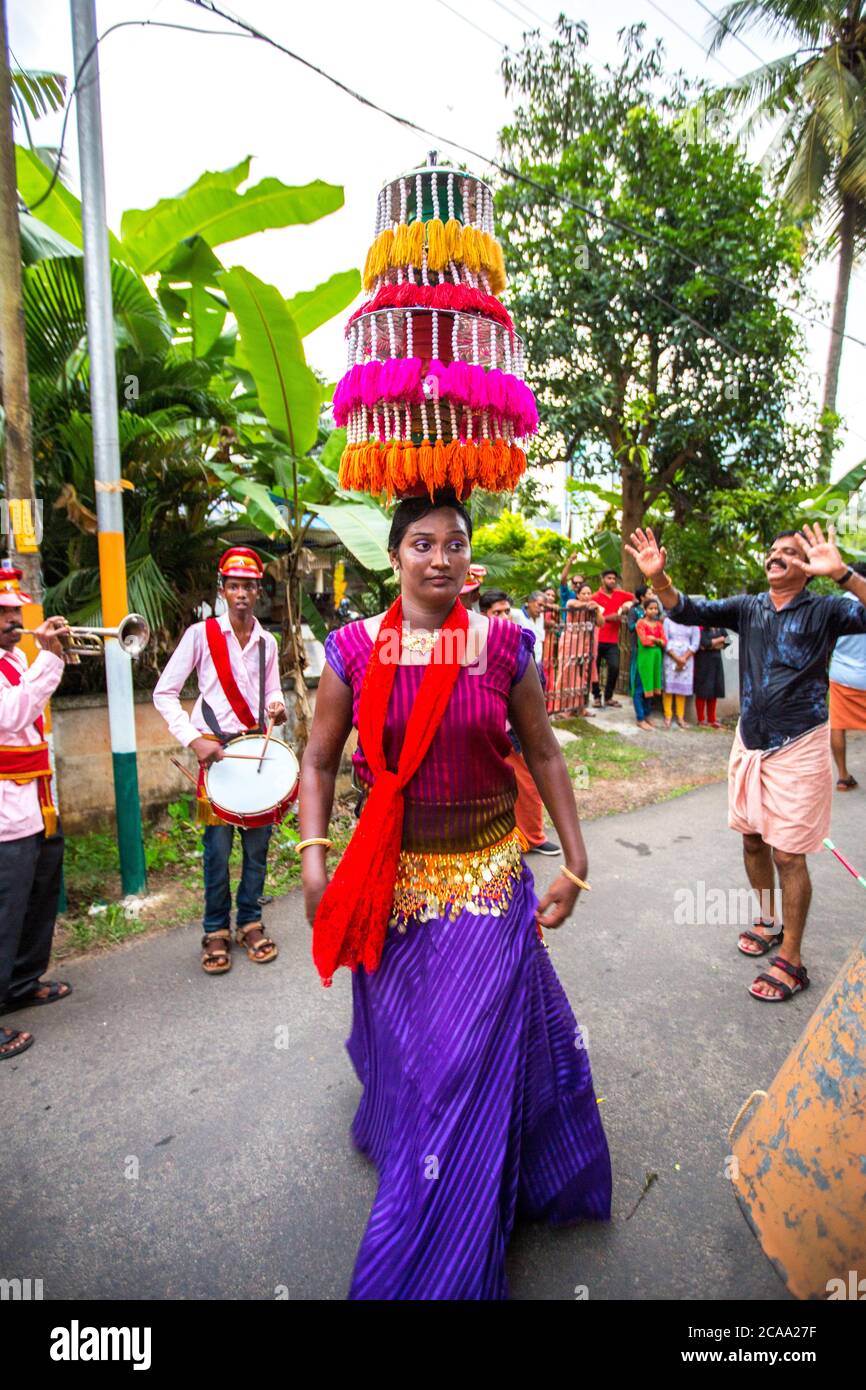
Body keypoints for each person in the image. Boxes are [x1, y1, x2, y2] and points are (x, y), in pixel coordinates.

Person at [300, 489, 611, 1300]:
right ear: (395, 555)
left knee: (457, 1067)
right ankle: (429, 1151)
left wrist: (575, 862)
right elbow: (319, 762)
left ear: (471, 560)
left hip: (487, 890)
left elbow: (543, 753)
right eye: (423, 544)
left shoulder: (505, 646)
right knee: (410, 1051)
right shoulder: (354, 650)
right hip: (391, 890)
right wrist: (312, 856)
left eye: (456, 544)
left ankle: (441, 1251)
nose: (441, 558)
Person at [626, 523, 866, 1003]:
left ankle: (792, 960)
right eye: (773, 550)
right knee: (754, 840)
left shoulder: (827, 609)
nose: (777, 556)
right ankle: (768, 917)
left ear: (808, 567)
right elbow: (688, 609)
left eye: (790, 553)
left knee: (787, 854)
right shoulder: (749, 607)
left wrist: (844, 575)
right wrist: (658, 579)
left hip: (800, 744)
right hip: (750, 743)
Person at [153, 547, 287, 975]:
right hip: (213, 756)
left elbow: (272, 691)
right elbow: (164, 693)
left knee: (258, 848)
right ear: (223, 590)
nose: (242, 593)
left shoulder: (268, 641)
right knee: (216, 850)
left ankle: (249, 921)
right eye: (234, 586)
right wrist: (194, 740)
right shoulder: (200, 635)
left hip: (254, 756)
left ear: (257, 590)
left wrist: (278, 705)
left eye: (249, 585)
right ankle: (214, 930)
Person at [0, 567, 72, 1060]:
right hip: (5, 811)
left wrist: (49, 659)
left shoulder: (10, 660)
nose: (13, 620)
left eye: (14, 611)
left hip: (36, 801)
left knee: (37, 898)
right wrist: (48, 658)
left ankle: (22, 982)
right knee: (4, 913)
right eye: (4, 613)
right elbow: (12, 716)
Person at [480, 588, 561, 857]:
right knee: (520, 783)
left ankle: (530, 835)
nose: (504, 616)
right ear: (484, 615)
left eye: (506, 611)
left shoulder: (515, 640)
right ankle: (528, 836)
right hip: (501, 727)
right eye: (496, 612)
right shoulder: (480, 644)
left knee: (528, 782)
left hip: (522, 724)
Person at [590, 569, 634, 707]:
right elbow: (590, 616)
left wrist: (627, 606)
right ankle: (596, 696)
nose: (612, 581)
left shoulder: (620, 594)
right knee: (594, 669)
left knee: (615, 667)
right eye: (609, 578)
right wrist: (610, 617)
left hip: (613, 640)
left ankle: (608, 697)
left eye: (614, 579)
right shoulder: (594, 597)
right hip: (596, 639)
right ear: (603, 579)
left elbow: (636, 598)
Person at [633, 596, 666, 731]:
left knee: (651, 689)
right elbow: (644, 641)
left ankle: (647, 715)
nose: (654, 611)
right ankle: (640, 718)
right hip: (644, 661)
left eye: (655, 608)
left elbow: (664, 642)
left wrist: (654, 639)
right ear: (645, 610)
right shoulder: (640, 623)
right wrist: (656, 641)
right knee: (641, 689)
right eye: (651, 608)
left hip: (655, 661)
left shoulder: (659, 625)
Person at [662, 614, 700, 728]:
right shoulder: (668, 620)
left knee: (681, 688)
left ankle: (680, 717)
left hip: (687, 657)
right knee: (668, 687)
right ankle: (667, 715)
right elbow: (664, 638)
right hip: (670, 656)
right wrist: (675, 657)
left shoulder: (693, 621)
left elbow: (696, 642)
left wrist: (684, 657)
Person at [627, 583, 655, 727]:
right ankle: (640, 717)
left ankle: (647, 714)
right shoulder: (634, 611)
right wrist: (642, 620)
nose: (652, 596)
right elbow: (630, 627)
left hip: (652, 654)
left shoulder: (655, 611)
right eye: (649, 594)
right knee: (638, 685)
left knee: (650, 685)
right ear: (642, 597)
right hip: (639, 651)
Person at [694, 625, 729, 728]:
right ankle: (700, 719)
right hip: (703, 661)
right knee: (702, 689)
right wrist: (719, 640)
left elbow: (728, 641)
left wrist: (711, 645)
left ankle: (711, 719)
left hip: (716, 661)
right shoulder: (702, 628)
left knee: (714, 689)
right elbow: (704, 643)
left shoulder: (720, 627)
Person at [559, 553, 584, 617]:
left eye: (580, 583)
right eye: (575, 583)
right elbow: (563, 579)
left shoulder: (587, 596)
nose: (578, 585)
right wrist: (570, 560)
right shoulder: (567, 595)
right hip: (569, 626)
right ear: (572, 584)